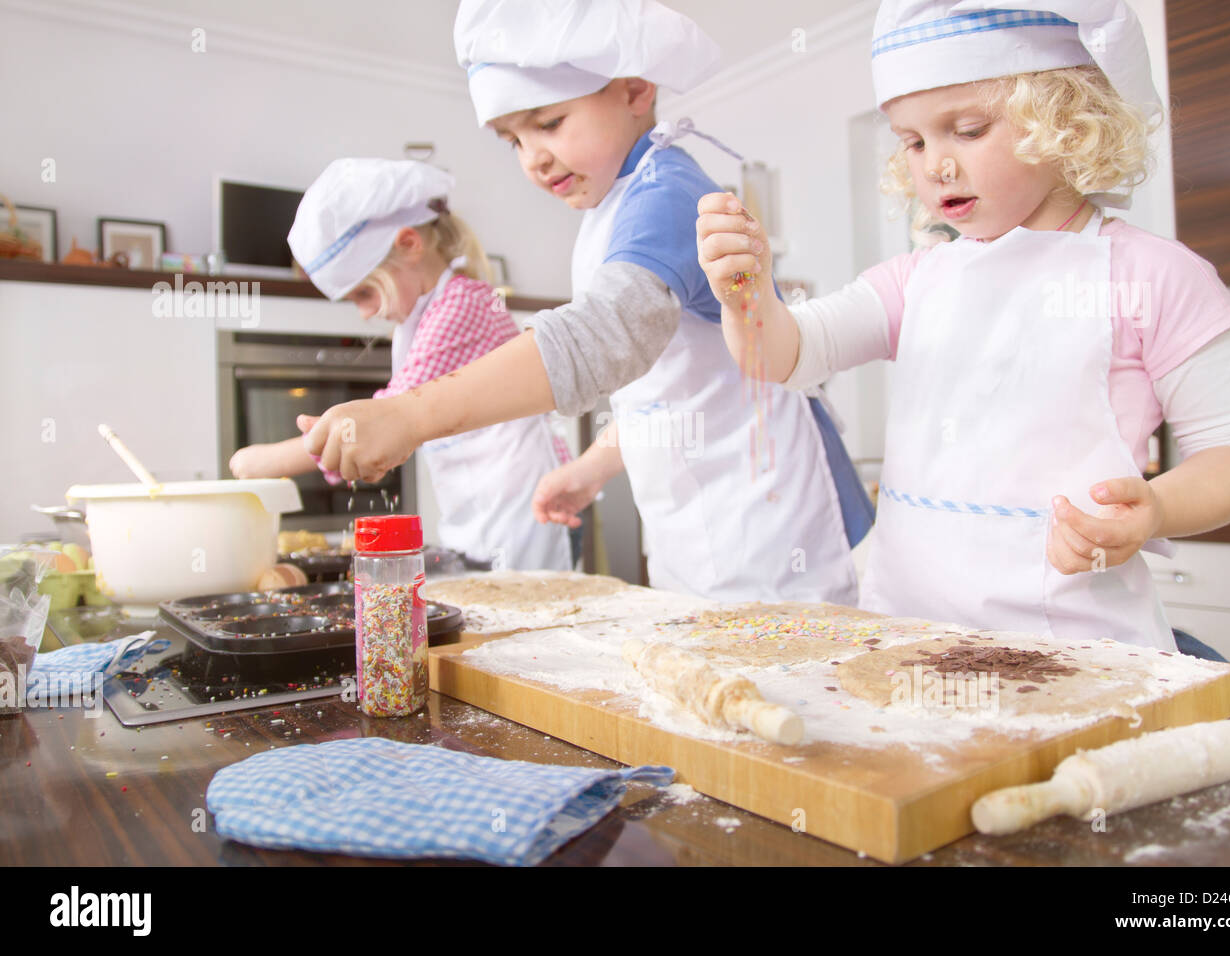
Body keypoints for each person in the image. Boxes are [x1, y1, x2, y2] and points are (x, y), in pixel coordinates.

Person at [696, 0, 1230, 650]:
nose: (935, 164)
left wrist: (1159, 509)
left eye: (967, 130)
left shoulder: (1154, 275)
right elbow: (786, 355)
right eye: (913, 142)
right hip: (912, 643)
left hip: (1076, 650)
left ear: (1066, 121)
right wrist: (747, 299)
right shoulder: (916, 279)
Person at [301, 0, 872, 605]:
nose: (532, 158)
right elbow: (673, 391)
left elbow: (602, 340)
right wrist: (593, 466)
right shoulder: (608, 208)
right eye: (512, 140)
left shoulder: (666, 195)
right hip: (702, 528)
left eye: (548, 123)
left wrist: (410, 417)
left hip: (776, 525)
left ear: (634, 90)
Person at [230, 158, 573, 570]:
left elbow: (381, 420)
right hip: (482, 506)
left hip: (522, 510)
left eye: (364, 295)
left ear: (409, 245)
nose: (364, 313)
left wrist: (266, 461)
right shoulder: (424, 315)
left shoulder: (461, 305)